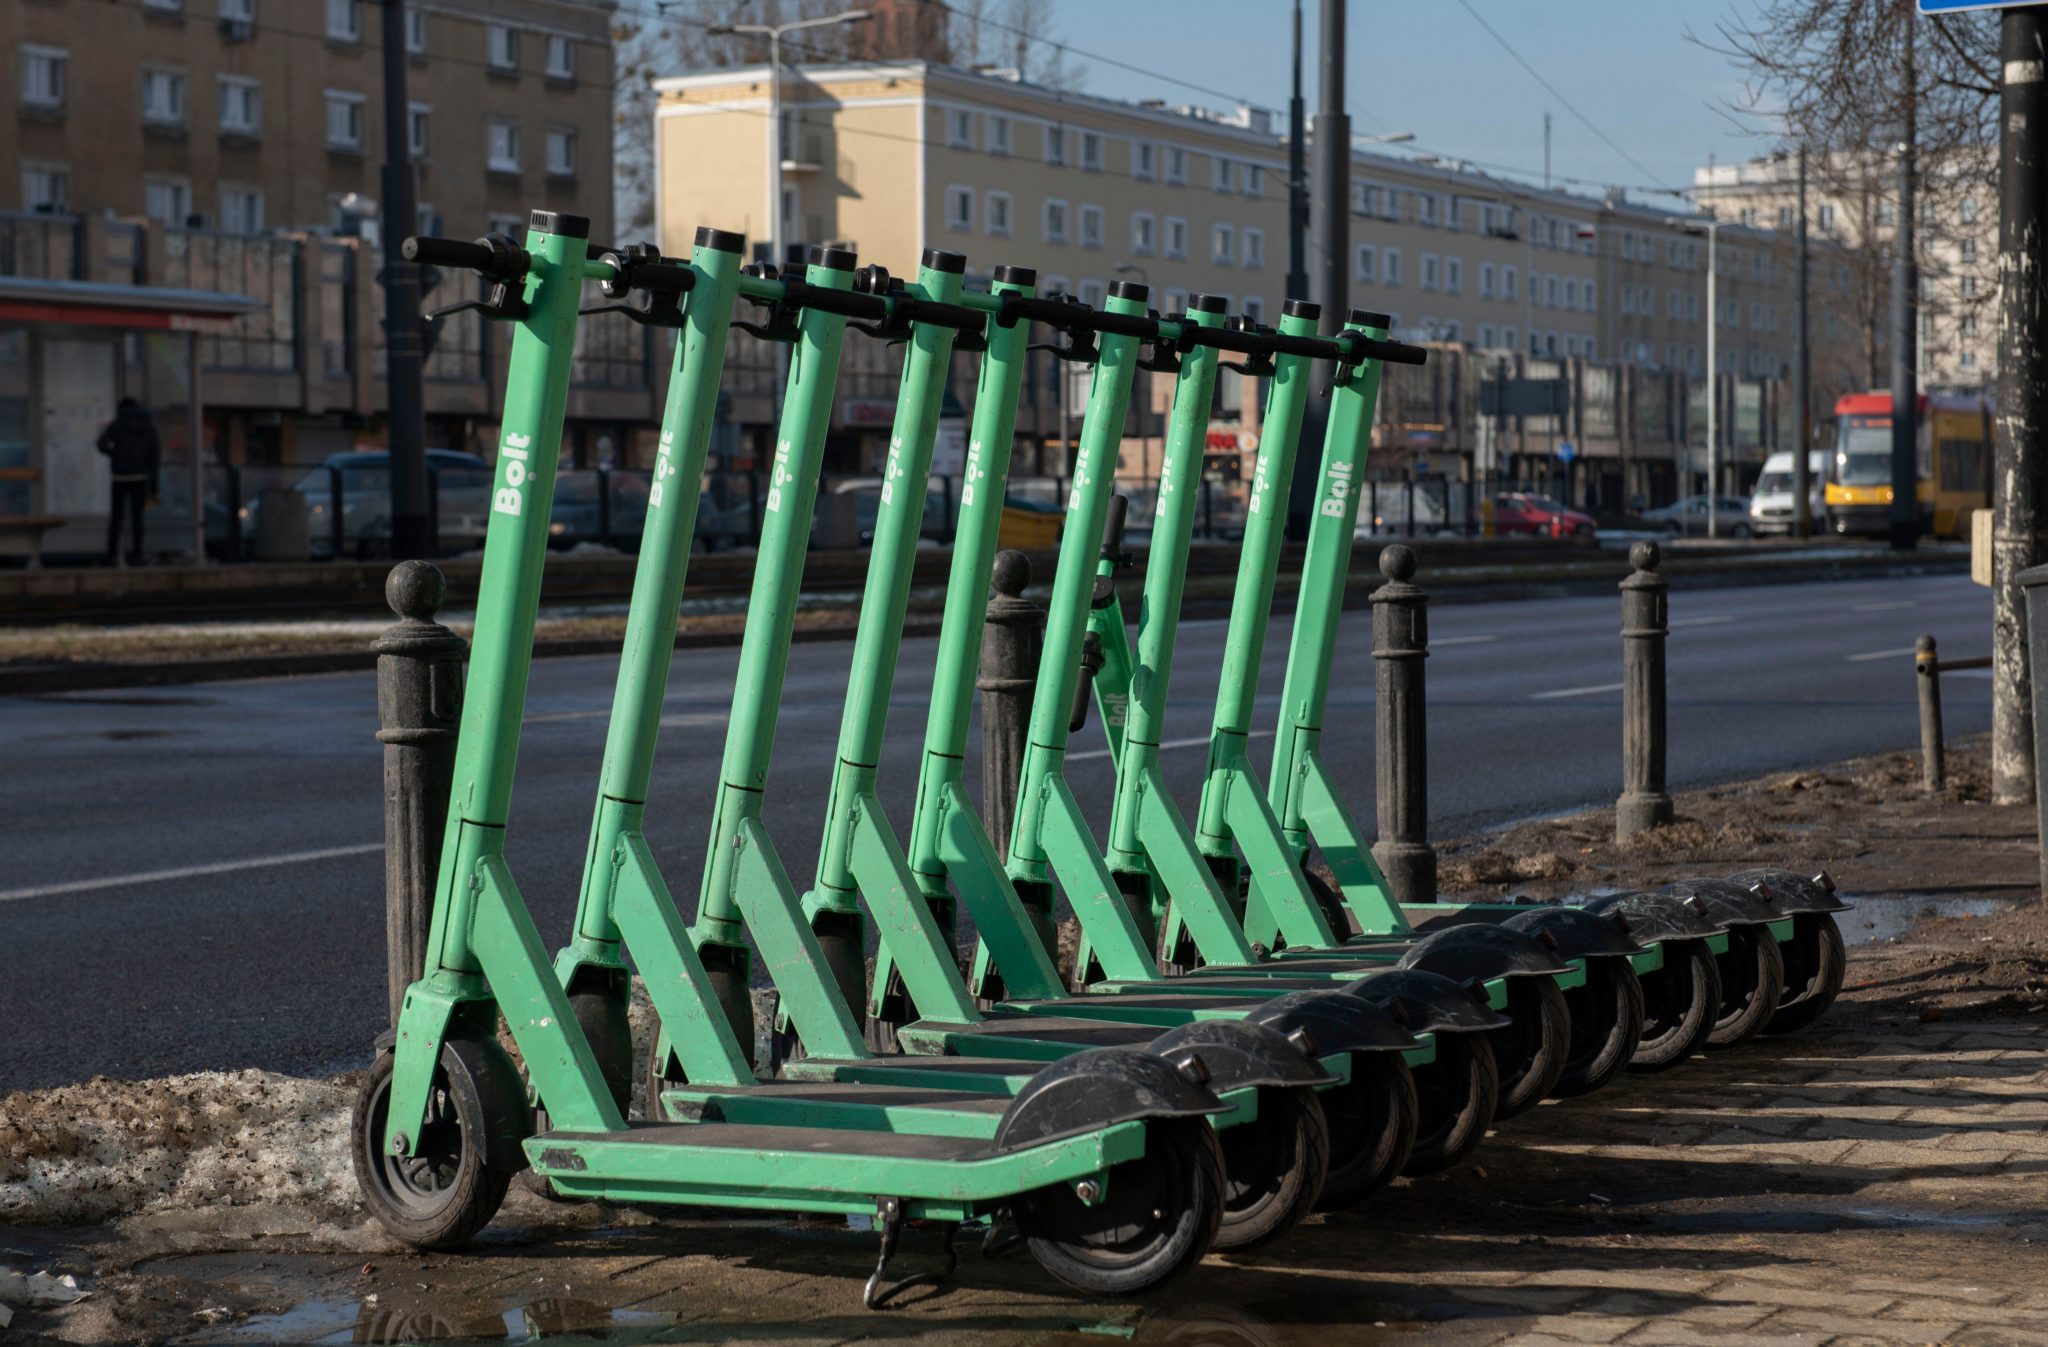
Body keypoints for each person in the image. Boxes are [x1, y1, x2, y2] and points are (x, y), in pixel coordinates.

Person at [97, 398, 160, 566]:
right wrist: (154, 487)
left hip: (119, 476)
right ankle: (137, 553)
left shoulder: (118, 423)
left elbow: (101, 444)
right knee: (138, 518)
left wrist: (115, 455)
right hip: (140, 476)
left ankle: (112, 554)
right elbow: (154, 455)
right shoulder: (147, 425)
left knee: (117, 517)